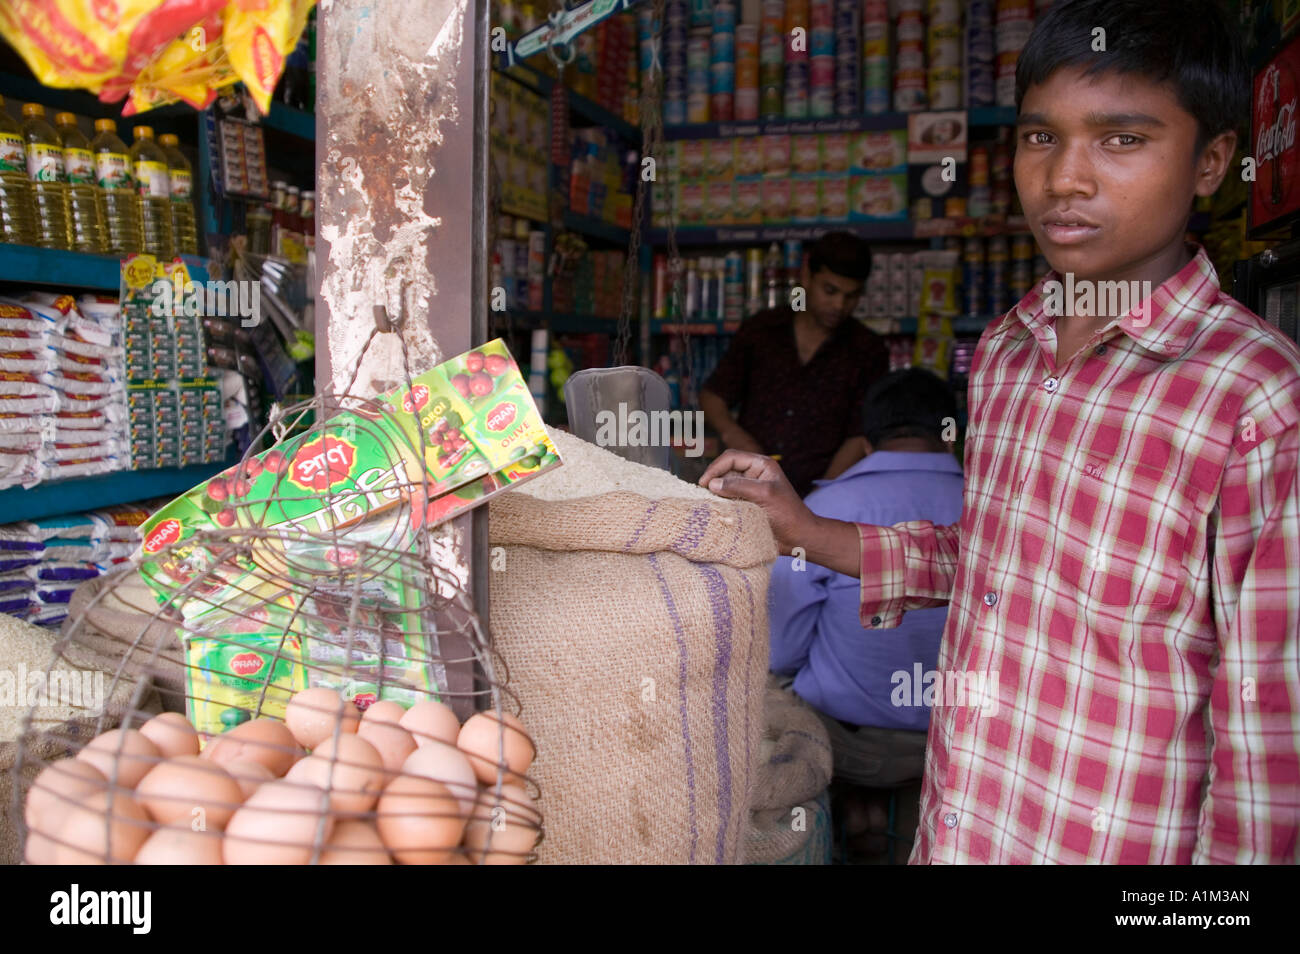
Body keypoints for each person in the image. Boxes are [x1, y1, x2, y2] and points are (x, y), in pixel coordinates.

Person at [702, 0, 1300, 864]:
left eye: (1122, 140)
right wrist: (804, 528)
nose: (1065, 179)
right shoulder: (1009, 352)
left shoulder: (1256, 398)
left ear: (1210, 162)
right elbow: (993, 556)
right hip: (964, 826)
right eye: (1040, 138)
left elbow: (1269, 732)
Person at [769, 369, 963, 775]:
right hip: (959, 745)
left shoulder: (819, 510)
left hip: (845, 741)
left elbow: (783, 651)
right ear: (952, 436)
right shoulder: (992, 508)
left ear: (864, 443)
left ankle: (853, 817)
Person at [699, 231, 889, 497]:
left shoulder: (868, 349)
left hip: (823, 499)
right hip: (748, 489)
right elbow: (712, 396)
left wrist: (820, 499)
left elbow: (859, 435)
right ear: (806, 276)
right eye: (830, 291)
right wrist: (733, 435)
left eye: (851, 296)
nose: (839, 305)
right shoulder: (762, 330)